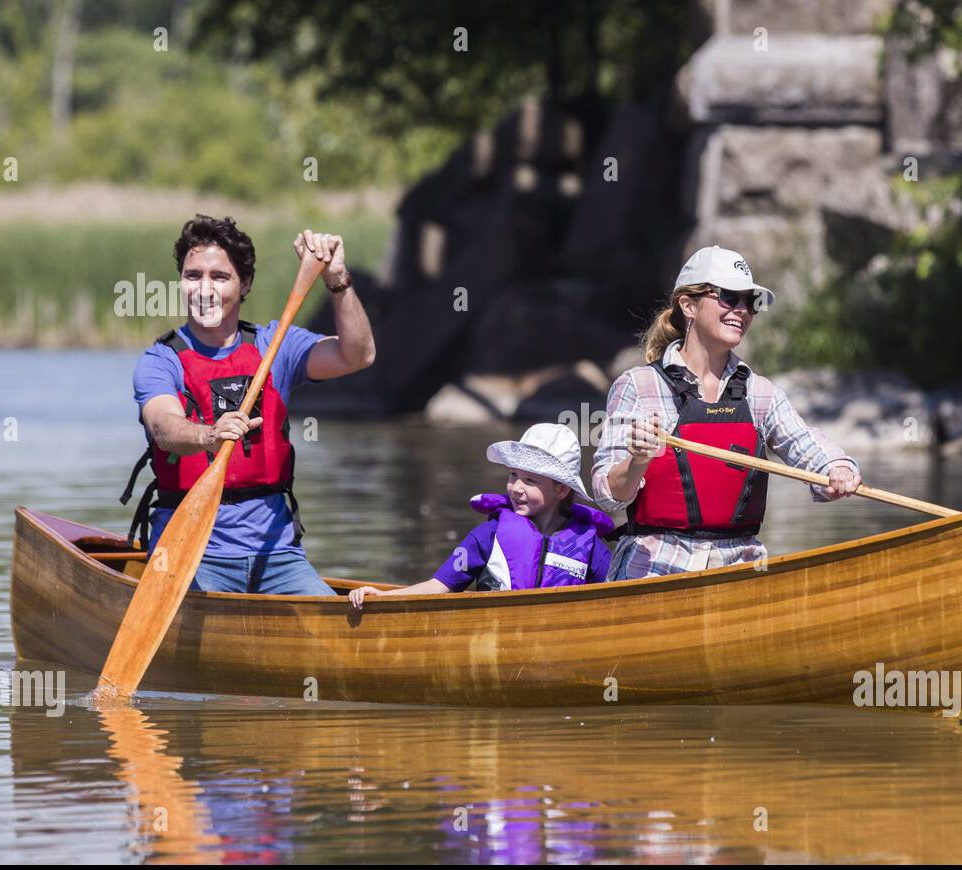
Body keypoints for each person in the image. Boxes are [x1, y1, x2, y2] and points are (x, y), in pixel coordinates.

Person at [122, 214, 376, 595]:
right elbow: (163, 427)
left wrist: (336, 281)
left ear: (245, 285)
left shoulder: (277, 346)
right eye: (193, 276)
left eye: (219, 277)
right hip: (190, 550)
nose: (204, 289)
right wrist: (209, 435)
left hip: (276, 555)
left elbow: (358, 355)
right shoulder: (161, 360)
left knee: (334, 620)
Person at [591, 245, 862, 580]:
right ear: (688, 305)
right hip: (654, 570)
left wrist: (837, 468)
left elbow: (807, 444)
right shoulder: (638, 386)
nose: (742, 310)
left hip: (740, 571)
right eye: (729, 297)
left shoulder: (760, 393)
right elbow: (608, 495)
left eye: (749, 302)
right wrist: (638, 461)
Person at [349, 423, 613, 607]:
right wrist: (384, 597)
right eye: (513, 475)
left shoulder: (588, 544)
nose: (516, 488)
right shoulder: (487, 536)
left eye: (530, 481)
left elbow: (618, 594)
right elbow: (439, 585)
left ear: (561, 489)